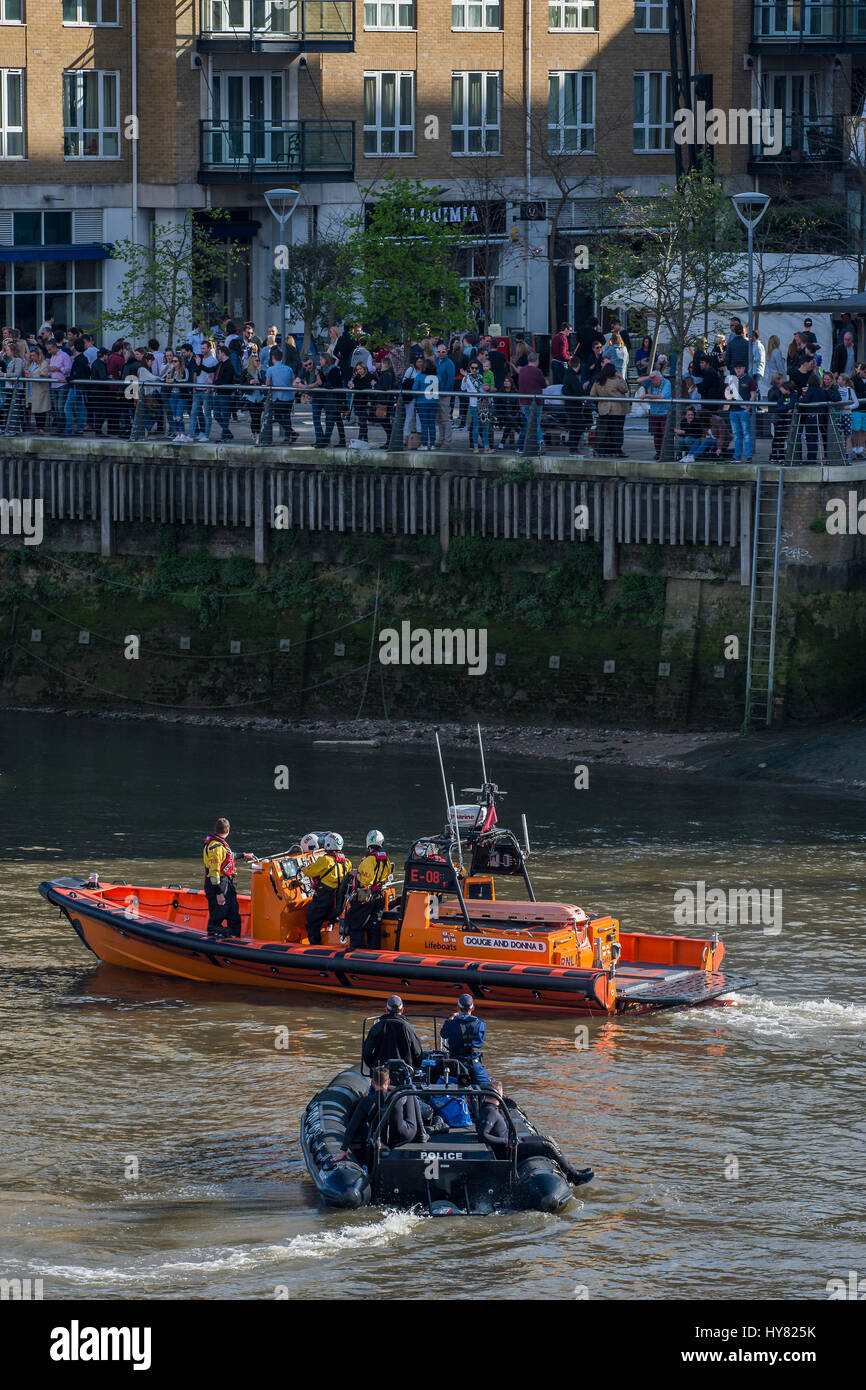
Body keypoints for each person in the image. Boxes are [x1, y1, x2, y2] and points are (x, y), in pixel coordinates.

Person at [477, 1081, 593, 1186]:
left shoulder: (491, 1108)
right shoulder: (490, 1112)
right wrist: (505, 1141)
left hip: (513, 1141)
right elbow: (482, 1136)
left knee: (547, 1139)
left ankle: (572, 1171)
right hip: (509, 1150)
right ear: (497, 1094)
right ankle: (574, 1177)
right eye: (501, 1093)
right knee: (547, 1146)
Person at [337, 1066, 424, 1161]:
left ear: (372, 1083)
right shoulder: (398, 1096)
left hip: (381, 1138)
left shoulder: (366, 1101)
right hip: (403, 1136)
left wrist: (344, 1149)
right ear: (389, 1081)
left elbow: (352, 1126)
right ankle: (421, 1134)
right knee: (409, 1093)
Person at [203, 817, 254, 939]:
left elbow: (229, 855)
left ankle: (235, 936)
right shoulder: (215, 847)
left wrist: (243, 855)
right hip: (218, 885)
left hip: (227, 883)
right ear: (228, 830)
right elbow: (214, 872)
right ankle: (215, 934)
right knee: (219, 914)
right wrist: (219, 893)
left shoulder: (220, 844)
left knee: (234, 914)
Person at [344, 829, 392, 950]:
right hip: (379, 893)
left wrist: (355, 874)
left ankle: (359, 951)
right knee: (374, 925)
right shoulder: (386, 859)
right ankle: (374, 951)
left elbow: (365, 880)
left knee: (355, 922)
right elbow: (386, 875)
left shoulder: (369, 859)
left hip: (366, 893)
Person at [305, 832, 351, 943]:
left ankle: (314, 947)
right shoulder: (347, 862)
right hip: (336, 900)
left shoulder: (325, 860)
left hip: (324, 897)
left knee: (312, 920)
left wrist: (303, 868)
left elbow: (308, 872)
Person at [362, 996, 423, 1072]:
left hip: (381, 1075)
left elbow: (366, 1052)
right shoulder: (408, 1028)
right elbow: (418, 1054)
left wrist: (373, 1066)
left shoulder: (377, 1027)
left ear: (386, 1010)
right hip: (404, 1075)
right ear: (402, 1010)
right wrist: (414, 1066)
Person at [440, 994, 490, 1086]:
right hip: (475, 1065)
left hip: (455, 1064)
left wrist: (450, 1019)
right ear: (473, 1008)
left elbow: (443, 1034)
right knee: (491, 1087)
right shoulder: (481, 1024)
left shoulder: (451, 1024)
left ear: (457, 1007)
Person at [435, 341, 455, 445]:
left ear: (446, 352)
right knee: (438, 418)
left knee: (445, 417)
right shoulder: (435, 361)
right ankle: (441, 438)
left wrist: (445, 392)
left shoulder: (449, 363)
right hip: (435, 393)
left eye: (443, 351)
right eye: (438, 351)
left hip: (445, 394)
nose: (440, 353)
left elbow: (450, 380)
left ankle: (447, 440)